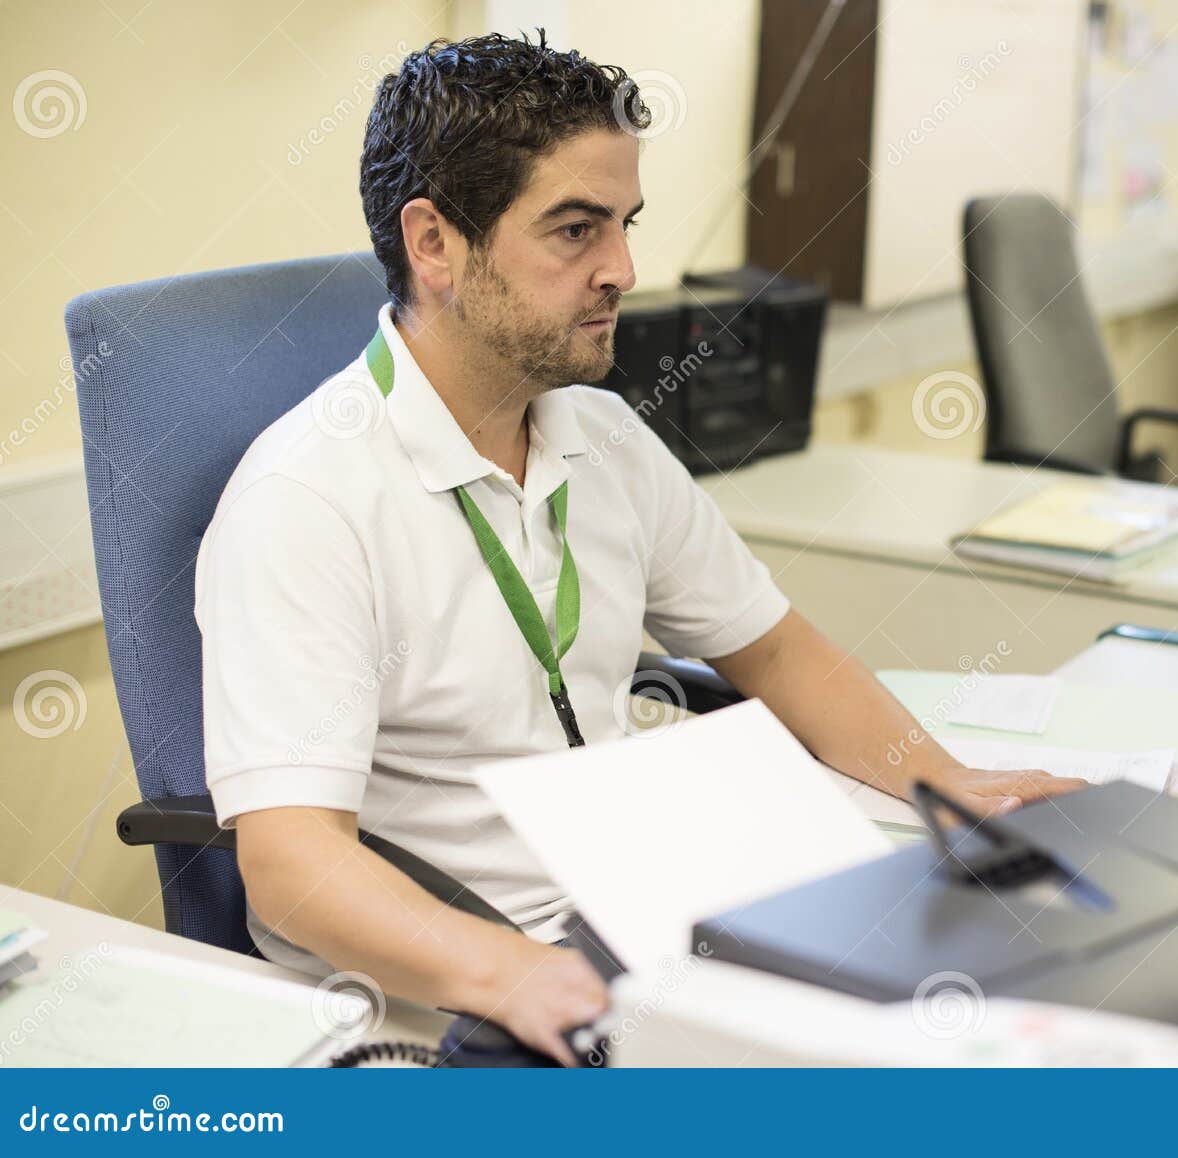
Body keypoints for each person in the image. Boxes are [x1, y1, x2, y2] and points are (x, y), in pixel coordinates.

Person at [196, 31, 1083, 1065]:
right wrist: (507, 972)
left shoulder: (601, 434)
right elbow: (291, 864)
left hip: (651, 911)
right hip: (471, 994)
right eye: (575, 231)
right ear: (433, 244)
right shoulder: (309, 497)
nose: (621, 269)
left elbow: (781, 655)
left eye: (623, 225)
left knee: (1012, 990)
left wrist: (941, 778)